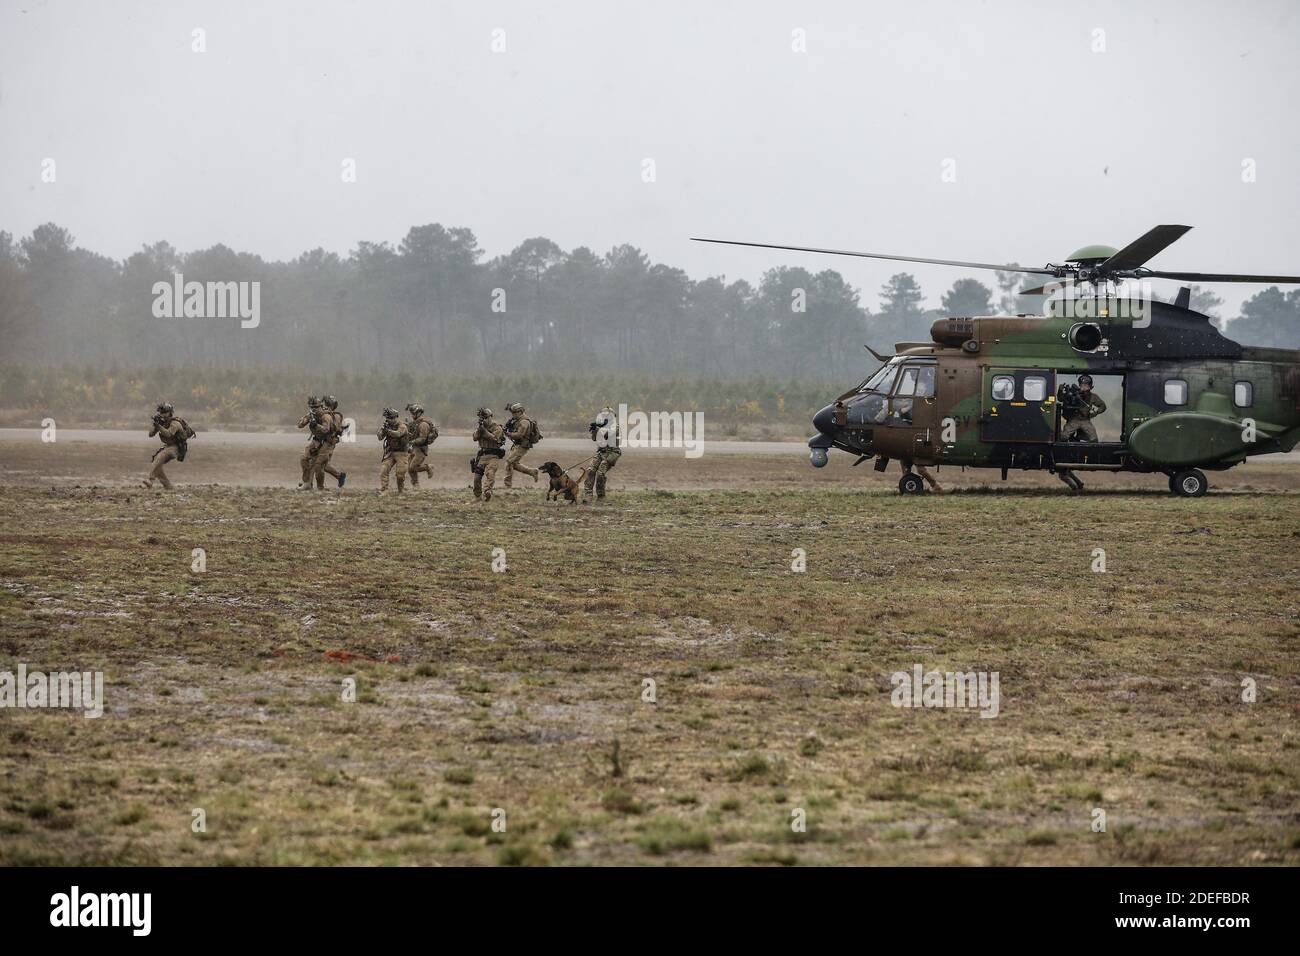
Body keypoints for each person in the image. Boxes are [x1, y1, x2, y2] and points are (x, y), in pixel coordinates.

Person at [143, 402, 195, 490]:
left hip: (177, 447)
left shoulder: (175, 423)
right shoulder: (162, 422)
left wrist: (159, 427)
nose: (162, 414)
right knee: (156, 463)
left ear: (170, 413)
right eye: (161, 412)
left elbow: (168, 434)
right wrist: (156, 426)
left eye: (164, 412)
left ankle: (150, 480)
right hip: (169, 446)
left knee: (160, 456)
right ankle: (168, 486)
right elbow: (150, 434)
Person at [581, 405, 621, 504]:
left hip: (612, 453)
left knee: (600, 473)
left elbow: (608, 435)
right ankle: (588, 495)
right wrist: (594, 430)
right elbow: (595, 439)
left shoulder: (615, 426)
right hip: (601, 452)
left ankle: (601, 496)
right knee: (590, 470)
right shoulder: (601, 426)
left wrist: (598, 429)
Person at [471, 407, 506, 502]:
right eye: (483, 418)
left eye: (486, 417)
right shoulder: (480, 428)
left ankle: (487, 492)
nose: (485, 420)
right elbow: (474, 437)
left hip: (493, 456)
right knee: (477, 478)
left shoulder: (497, 427)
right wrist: (480, 429)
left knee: (490, 474)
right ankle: (478, 496)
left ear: (491, 417)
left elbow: (494, 438)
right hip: (482, 456)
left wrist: (484, 431)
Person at [297, 396, 332, 490]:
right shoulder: (311, 414)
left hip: (326, 443)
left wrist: (316, 425)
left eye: (316, 407)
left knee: (318, 465)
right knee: (304, 459)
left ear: (320, 406)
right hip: (316, 441)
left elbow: (326, 430)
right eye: (312, 407)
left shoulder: (326, 416)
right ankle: (307, 483)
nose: (314, 409)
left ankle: (320, 487)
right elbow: (300, 425)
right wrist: (306, 419)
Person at [502, 401, 540, 488]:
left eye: (515, 413)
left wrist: (508, 434)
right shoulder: (518, 420)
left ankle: (507, 485)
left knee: (509, 463)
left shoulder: (524, 422)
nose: (513, 415)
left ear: (520, 412)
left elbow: (519, 435)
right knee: (513, 464)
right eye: (512, 413)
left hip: (522, 446)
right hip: (517, 445)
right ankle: (532, 472)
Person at [1060, 374, 1106, 442]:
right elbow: (1061, 398)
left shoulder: (1093, 396)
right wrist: (1060, 391)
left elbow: (1103, 406)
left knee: (1094, 439)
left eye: (1086, 385)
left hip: (1085, 420)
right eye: (1082, 385)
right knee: (1064, 437)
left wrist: (1096, 412)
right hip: (1074, 420)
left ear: (1090, 387)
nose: (1084, 387)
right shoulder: (1073, 394)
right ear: (1079, 385)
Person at [315, 395, 347, 489]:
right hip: (324, 442)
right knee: (324, 465)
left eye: (325, 404)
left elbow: (331, 429)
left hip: (328, 443)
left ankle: (320, 487)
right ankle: (339, 476)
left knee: (319, 464)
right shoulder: (329, 414)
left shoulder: (334, 416)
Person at [405, 403, 438, 487]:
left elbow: (422, 439)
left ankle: (428, 467)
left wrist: (412, 442)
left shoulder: (423, 424)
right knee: (410, 468)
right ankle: (416, 485)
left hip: (421, 449)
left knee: (413, 467)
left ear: (418, 413)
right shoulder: (415, 423)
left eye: (413, 413)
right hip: (414, 448)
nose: (412, 415)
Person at [378, 406, 410, 492]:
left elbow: (398, 434)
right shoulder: (387, 425)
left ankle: (401, 489)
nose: (388, 420)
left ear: (395, 417)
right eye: (387, 418)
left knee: (400, 474)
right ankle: (384, 490)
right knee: (383, 470)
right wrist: (382, 430)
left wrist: (388, 431)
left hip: (401, 452)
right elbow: (380, 437)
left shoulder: (402, 426)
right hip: (390, 452)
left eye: (389, 418)